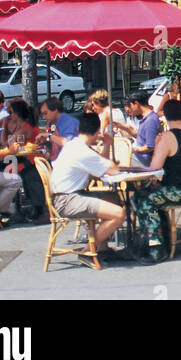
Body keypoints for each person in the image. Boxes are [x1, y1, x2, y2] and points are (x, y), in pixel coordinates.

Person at [131, 100, 181, 261]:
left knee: (145, 200)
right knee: (143, 196)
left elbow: (155, 167)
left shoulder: (168, 137)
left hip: (180, 191)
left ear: (166, 115)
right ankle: (163, 239)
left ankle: (156, 248)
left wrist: (158, 145)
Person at [50, 111, 126, 262]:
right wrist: (108, 145)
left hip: (67, 195)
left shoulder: (75, 145)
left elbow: (99, 164)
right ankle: (88, 251)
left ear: (78, 129)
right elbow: (110, 168)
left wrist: (106, 145)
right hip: (68, 200)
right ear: (97, 131)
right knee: (119, 214)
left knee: (112, 198)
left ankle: (102, 247)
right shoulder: (82, 151)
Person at [126, 92, 161, 163]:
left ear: (136, 104)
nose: (129, 109)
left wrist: (132, 150)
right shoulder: (147, 119)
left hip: (145, 160)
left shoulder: (150, 120)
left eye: (130, 106)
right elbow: (141, 136)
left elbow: (150, 147)